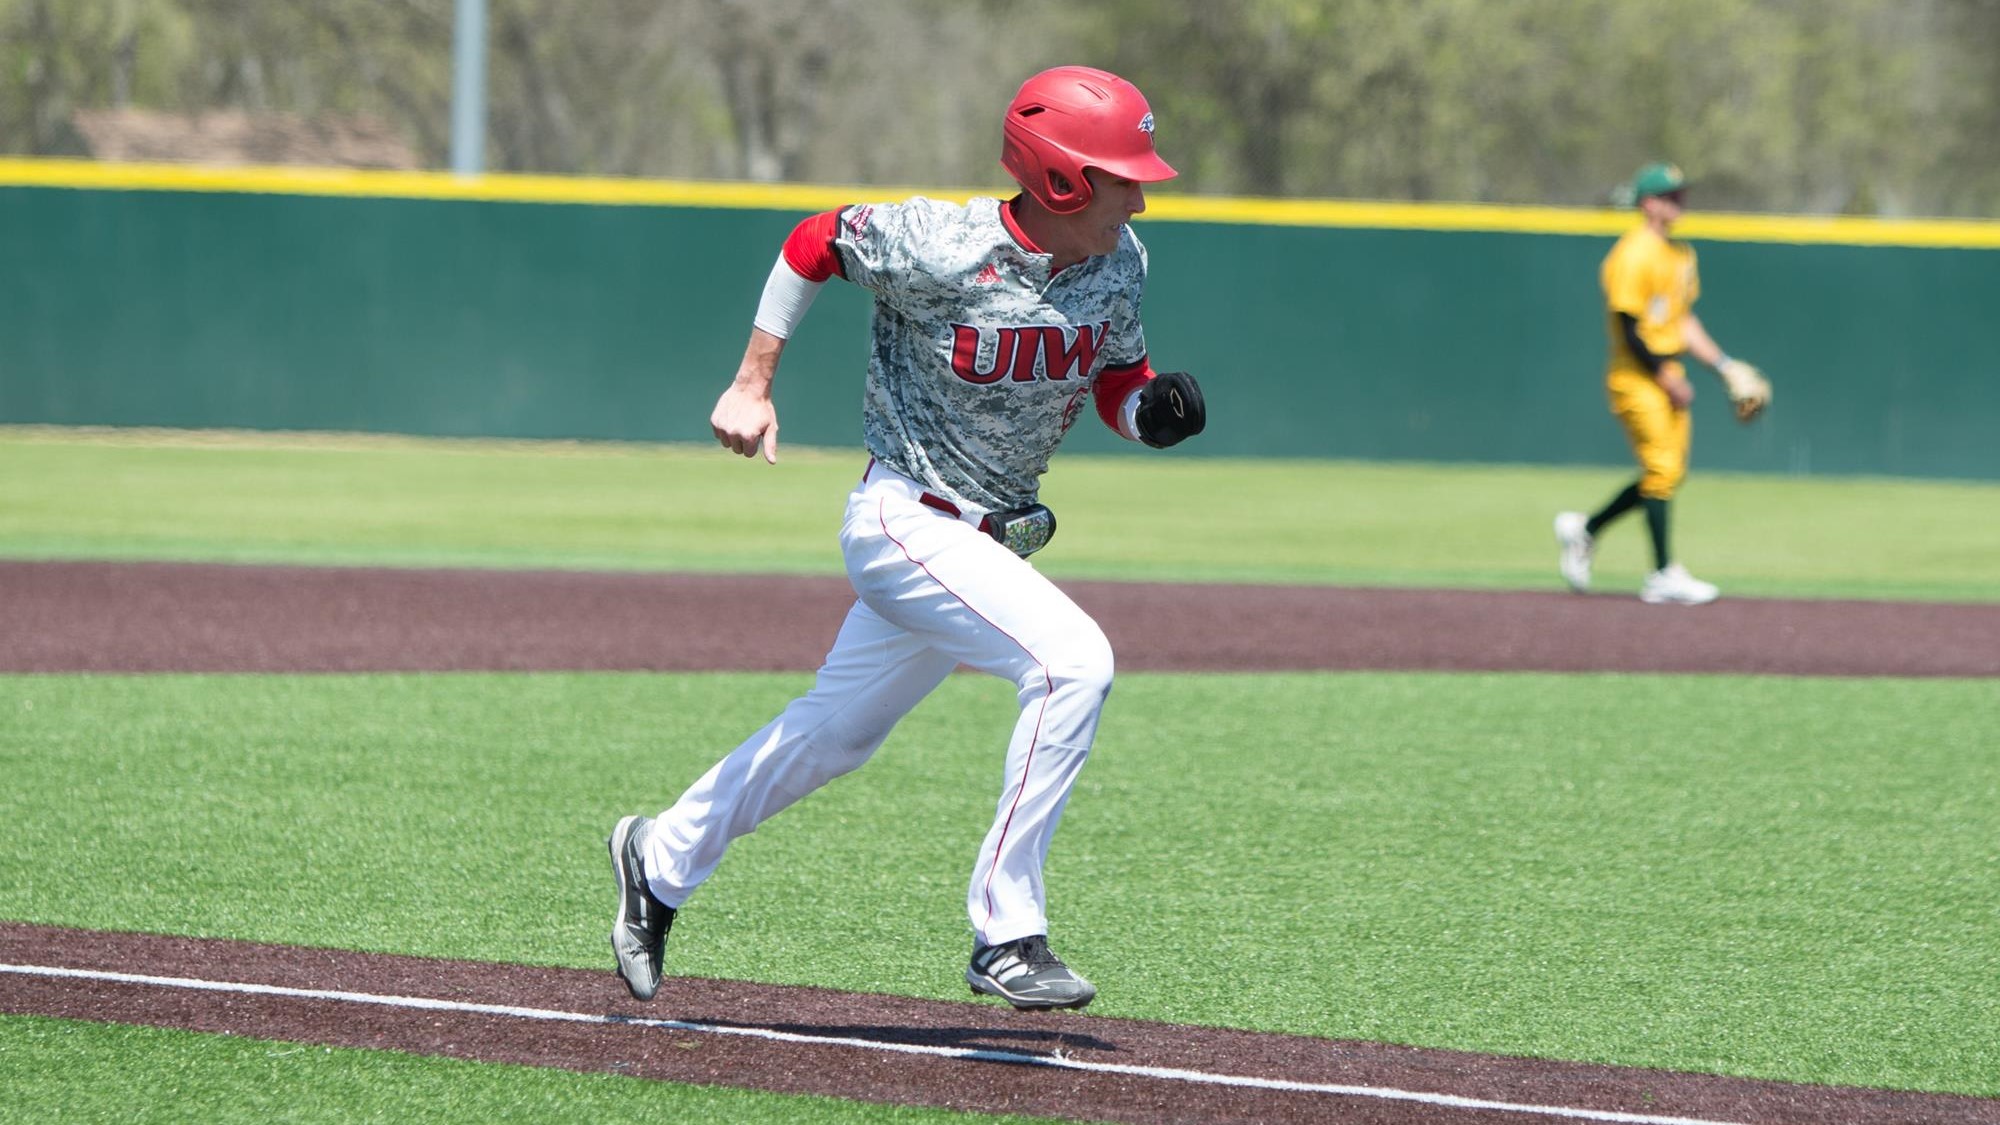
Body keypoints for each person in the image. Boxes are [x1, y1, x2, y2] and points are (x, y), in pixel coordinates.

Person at [606, 66, 1206, 1012]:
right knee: (1073, 663)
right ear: (1059, 179)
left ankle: (658, 853)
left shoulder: (1118, 261)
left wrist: (1149, 411)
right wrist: (754, 382)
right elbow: (815, 240)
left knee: (835, 733)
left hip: (987, 543)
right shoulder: (939, 241)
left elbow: (1113, 380)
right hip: (903, 517)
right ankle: (1007, 932)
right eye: (1121, 173)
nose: (1139, 192)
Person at [1554, 161, 1770, 605]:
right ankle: (1661, 574)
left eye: (1681, 195)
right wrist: (1664, 378)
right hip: (1636, 374)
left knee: (1668, 474)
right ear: (1648, 203)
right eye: (1670, 196)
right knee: (1662, 471)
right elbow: (1629, 327)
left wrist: (1725, 366)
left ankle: (1585, 531)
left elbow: (1683, 322)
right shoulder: (1632, 254)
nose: (1679, 202)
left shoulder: (1680, 255)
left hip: (1668, 369)